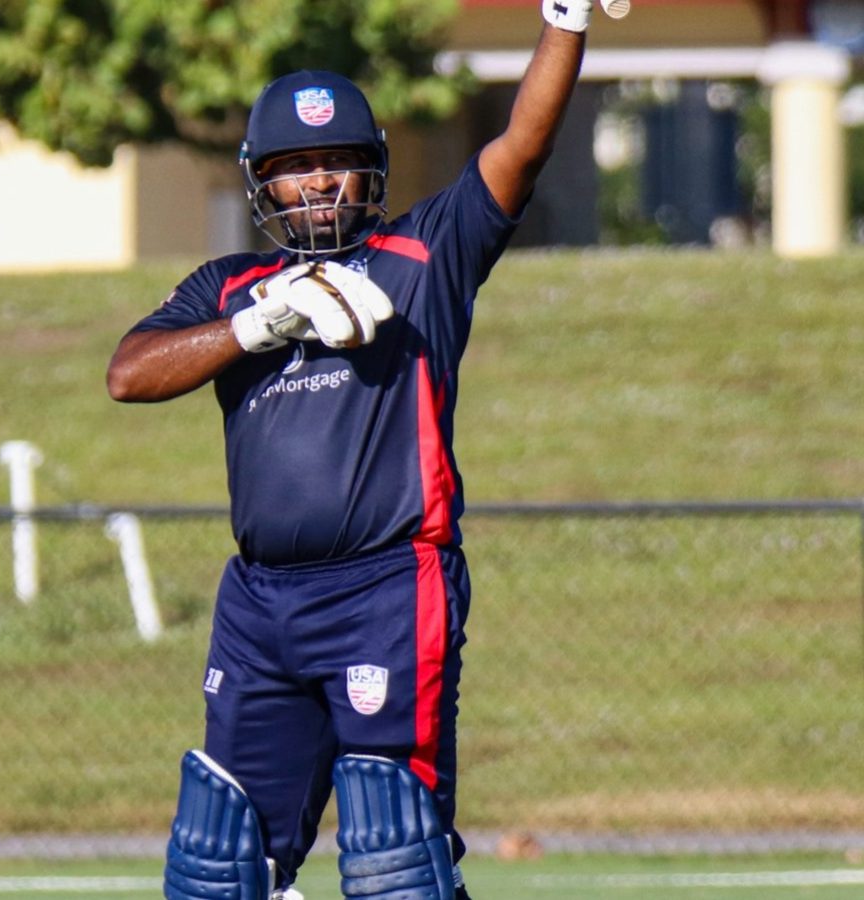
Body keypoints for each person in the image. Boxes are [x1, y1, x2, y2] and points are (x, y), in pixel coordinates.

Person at [108, 3, 596, 898]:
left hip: (387, 587)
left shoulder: (424, 254)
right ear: (262, 183)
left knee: (393, 856)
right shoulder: (230, 287)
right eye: (296, 168)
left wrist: (565, 21)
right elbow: (130, 373)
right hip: (259, 602)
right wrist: (256, 328)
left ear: (372, 169)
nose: (321, 183)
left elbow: (521, 147)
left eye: (338, 162)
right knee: (221, 866)